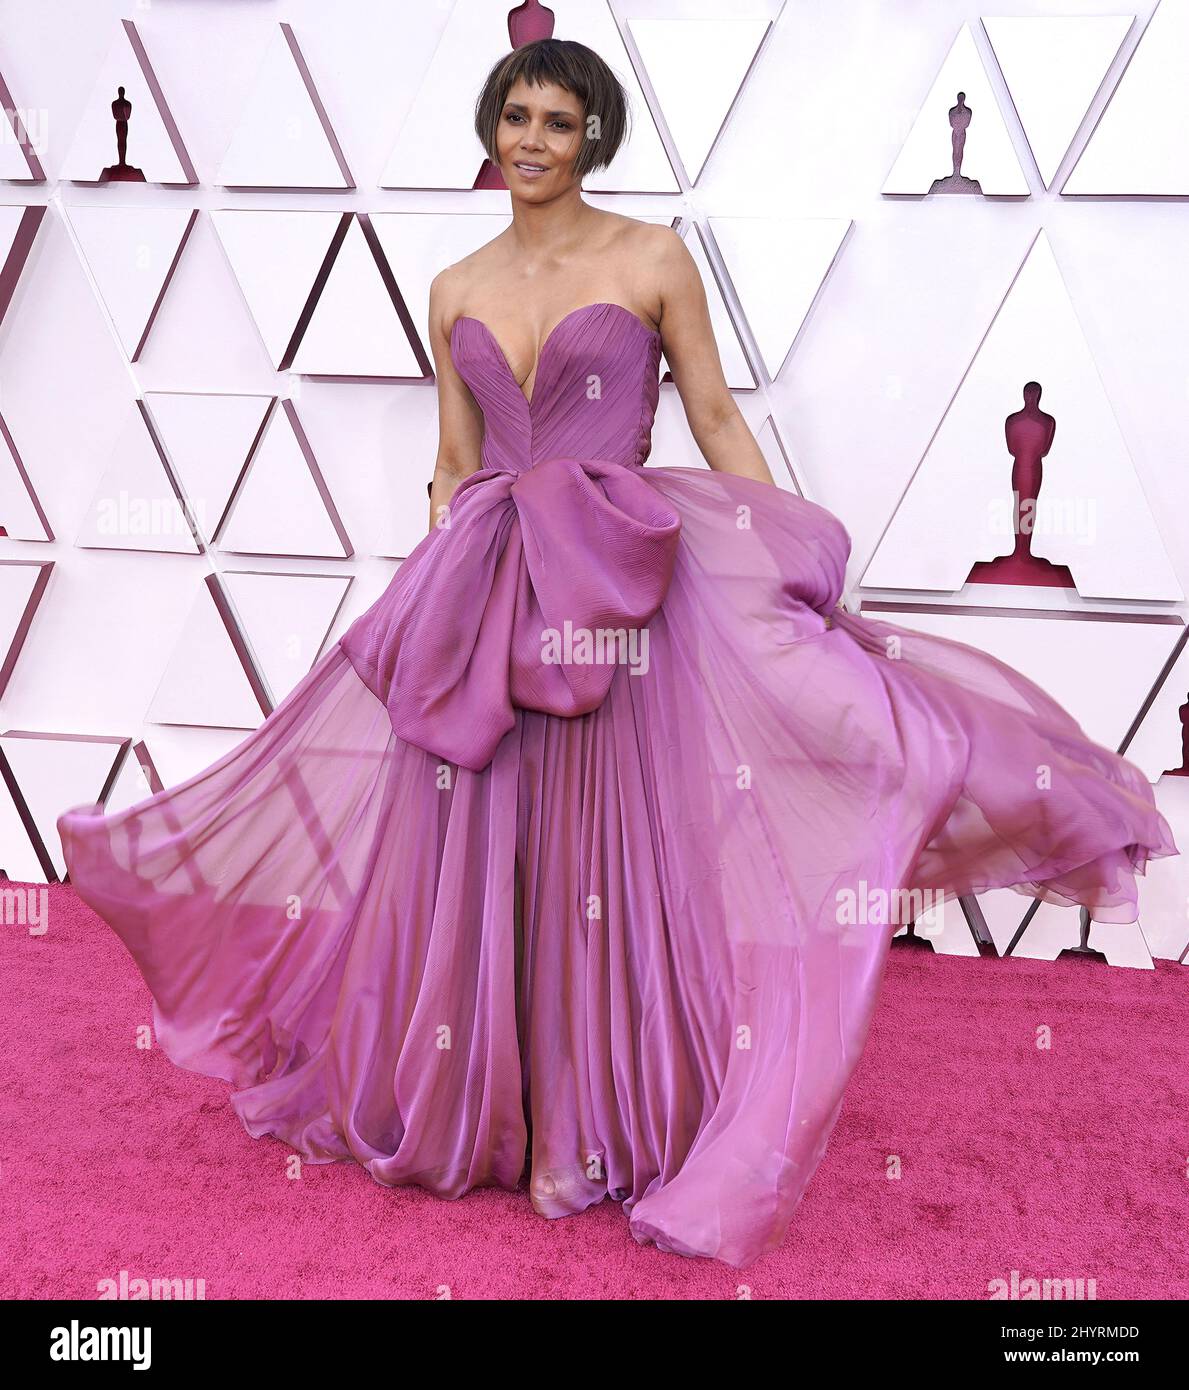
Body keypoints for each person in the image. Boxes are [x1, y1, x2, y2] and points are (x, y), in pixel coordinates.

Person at [57, 38, 1178, 1270]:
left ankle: (579, 1129)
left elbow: (709, 413)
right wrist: (441, 576)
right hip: (486, 587)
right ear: (491, 131)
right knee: (487, 847)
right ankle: (495, 1109)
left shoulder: (651, 258)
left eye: (559, 120)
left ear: (594, 135)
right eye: (516, 118)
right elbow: (453, 454)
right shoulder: (452, 283)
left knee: (599, 854)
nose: (533, 140)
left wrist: (780, 551)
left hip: (615, 591)